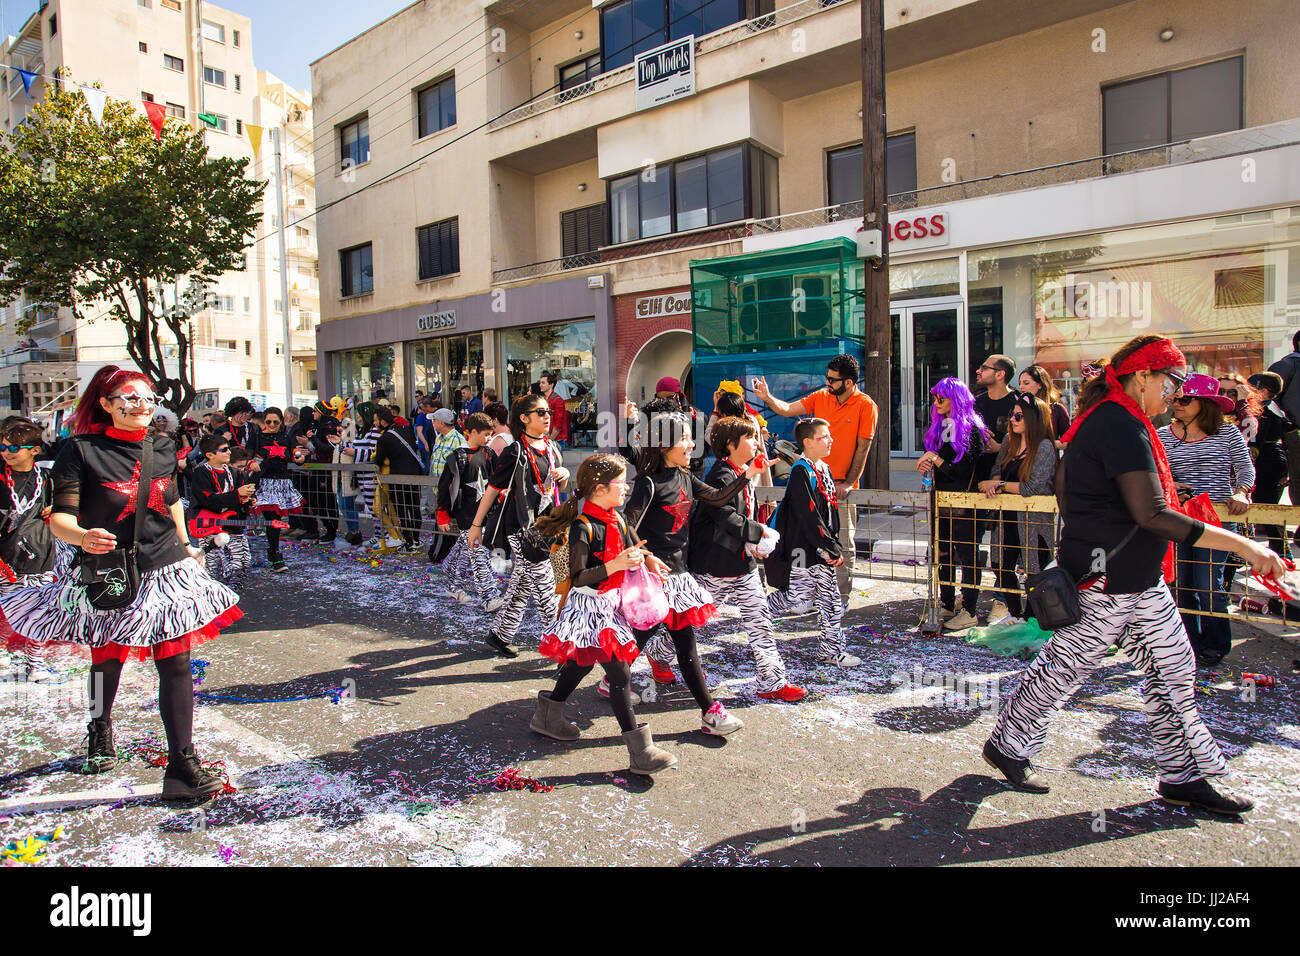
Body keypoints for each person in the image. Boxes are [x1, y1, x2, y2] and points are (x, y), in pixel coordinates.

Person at [983, 336, 1281, 816]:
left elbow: (1078, 497)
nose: (1174, 393)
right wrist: (1242, 544)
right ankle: (1010, 744)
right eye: (1171, 381)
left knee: (1171, 671)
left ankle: (1185, 775)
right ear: (1142, 377)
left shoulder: (1115, 421)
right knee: (1066, 669)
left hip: (1129, 576)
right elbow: (1152, 513)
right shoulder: (1117, 424)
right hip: (1108, 578)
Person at [0, 366, 240, 799]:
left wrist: (186, 543)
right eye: (129, 398)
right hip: (107, 571)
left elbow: (169, 499)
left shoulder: (163, 447)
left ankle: (182, 765)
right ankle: (99, 729)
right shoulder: (81, 450)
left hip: (165, 568)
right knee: (106, 661)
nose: (141, 405)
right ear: (108, 405)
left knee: (176, 662)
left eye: (147, 397)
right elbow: (60, 519)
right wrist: (82, 537)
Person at [533, 455, 701, 775]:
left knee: (580, 664)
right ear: (599, 489)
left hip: (610, 605)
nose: (626, 488)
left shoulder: (617, 518)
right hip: (587, 608)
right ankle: (641, 752)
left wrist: (648, 560)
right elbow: (580, 575)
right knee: (620, 674)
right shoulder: (583, 527)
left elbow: (634, 542)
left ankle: (547, 713)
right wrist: (616, 565)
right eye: (621, 483)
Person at [623, 411, 774, 710]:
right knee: (642, 632)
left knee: (681, 643)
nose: (692, 445)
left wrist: (748, 474)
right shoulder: (648, 483)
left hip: (678, 574)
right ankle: (612, 681)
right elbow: (626, 526)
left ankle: (709, 710)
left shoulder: (686, 476)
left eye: (691, 437)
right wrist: (647, 557)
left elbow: (717, 498)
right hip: (653, 575)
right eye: (684, 438)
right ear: (664, 445)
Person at [690, 415, 801, 699]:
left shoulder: (742, 470)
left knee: (760, 621)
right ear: (730, 444)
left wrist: (753, 539)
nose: (757, 442)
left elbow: (741, 514)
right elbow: (725, 515)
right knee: (690, 620)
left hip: (741, 565)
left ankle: (772, 682)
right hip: (715, 566)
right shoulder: (722, 474)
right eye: (751, 437)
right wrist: (759, 532)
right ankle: (660, 654)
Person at [753, 354, 878, 602]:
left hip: (840, 486)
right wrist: (767, 397)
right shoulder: (821, 397)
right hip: (812, 481)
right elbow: (788, 409)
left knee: (842, 541)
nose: (828, 383)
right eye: (827, 378)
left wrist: (848, 483)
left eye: (833, 379)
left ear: (849, 382)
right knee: (809, 539)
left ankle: (840, 597)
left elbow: (863, 448)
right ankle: (811, 594)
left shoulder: (866, 405)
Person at [1157, 374, 1255, 668]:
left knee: (1207, 584)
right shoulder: (1162, 435)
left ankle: (1215, 644)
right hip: (1178, 519)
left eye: (1185, 399)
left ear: (1205, 403)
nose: (1177, 404)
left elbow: (1245, 469)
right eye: (1175, 398)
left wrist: (1241, 492)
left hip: (1217, 520)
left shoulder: (1227, 433)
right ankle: (1187, 644)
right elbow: (1157, 475)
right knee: (1181, 586)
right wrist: (1173, 487)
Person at [466, 395, 569, 658]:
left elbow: (555, 488)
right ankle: (560, 648)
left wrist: (565, 475)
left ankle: (499, 635)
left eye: (548, 411)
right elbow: (492, 489)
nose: (547, 416)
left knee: (522, 584)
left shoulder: (552, 447)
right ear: (523, 418)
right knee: (547, 589)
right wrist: (476, 525)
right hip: (521, 529)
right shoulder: (515, 451)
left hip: (546, 527)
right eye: (540, 412)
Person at [766, 417, 860, 669]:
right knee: (797, 599)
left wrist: (831, 544)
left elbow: (828, 510)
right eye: (824, 437)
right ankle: (758, 612)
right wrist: (828, 546)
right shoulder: (801, 470)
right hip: (804, 549)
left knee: (829, 601)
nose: (830, 440)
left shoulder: (824, 469)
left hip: (820, 549)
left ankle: (831, 650)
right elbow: (807, 514)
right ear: (808, 442)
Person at [977, 393, 1056, 624]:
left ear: (1033, 418)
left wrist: (999, 485)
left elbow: (1033, 487)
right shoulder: (1010, 444)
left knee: (1034, 570)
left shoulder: (1044, 447)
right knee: (1000, 565)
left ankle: (1031, 618)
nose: (1013, 419)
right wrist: (996, 482)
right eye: (1011, 414)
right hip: (1007, 517)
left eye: (1019, 415)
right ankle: (1015, 613)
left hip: (1034, 521)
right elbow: (995, 469)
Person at [916, 377, 987, 631]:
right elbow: (943, 468)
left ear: (955, 399)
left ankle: (969, 610)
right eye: (934, 398)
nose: (936, 403)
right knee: (943, 554)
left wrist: (934, 459)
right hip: (942, 503)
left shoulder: (969, 429)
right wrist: (929, 464)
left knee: (968, 558)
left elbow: (961, 473)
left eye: (941, 398)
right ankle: (947, 603)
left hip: (965, 505)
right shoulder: (945, 426)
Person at [437, 412, 503, 611]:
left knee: (466, 548)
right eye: (486, 434)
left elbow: (495, 479)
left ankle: (451, 575)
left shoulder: (489, 454)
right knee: (477, 551)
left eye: (491, 434)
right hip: (466, 513)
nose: (489, 439)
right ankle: (489, 596)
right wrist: (442, 514)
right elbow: (444, 488)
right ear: (472, 432)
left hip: (484, 512)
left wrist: (501, 495)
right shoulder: (457, 457)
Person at [190, 434, 255, 591]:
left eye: (228, 448)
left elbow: (242, 496)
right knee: (210, 562)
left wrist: (249, 500)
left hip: (233, 522)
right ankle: (211, 590)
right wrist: (237, 495)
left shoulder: (237, 473)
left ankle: (234, 589)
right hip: (209, 523)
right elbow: (208, 500)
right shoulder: (201, 473)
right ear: (210, 455)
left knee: (241, 558)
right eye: (223, 450)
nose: (228, 452)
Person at [248, 406, 301, 574]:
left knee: (276, 519)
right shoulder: (257, 437)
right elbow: (246, 456)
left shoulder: (286, 437)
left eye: (275, 422)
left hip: (282, 482)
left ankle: (274, 551)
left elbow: (296, 454)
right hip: (263, 482)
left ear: (281, 422)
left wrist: (300, 456)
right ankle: (275, 553)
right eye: (268, 421)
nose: (271, 425)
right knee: (271, 519)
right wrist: (252, 464)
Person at [1247, 371, 1290, 561]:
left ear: (1263, 391)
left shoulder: (1265, 412)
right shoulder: (1274, 408)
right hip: (1275, 461)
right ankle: (1279, 550)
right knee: (1267, 506)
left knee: (1267, 508)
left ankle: (1281, 551)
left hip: (1268, 463)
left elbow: (1256, 443)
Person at [371, 406, 423, 554]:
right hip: (414, 475)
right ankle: (416, 539)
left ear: (382, 421)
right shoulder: (406, 429)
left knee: (402, 509)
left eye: (375, 420)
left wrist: (374, 458)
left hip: (397, 477)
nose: (374, 423)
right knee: (414, 507)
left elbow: (378, 460)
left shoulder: (384, 439)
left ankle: (408, 542)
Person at [307, 417, 342, 544]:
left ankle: (332, 531)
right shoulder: (316, 427)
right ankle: (329, 530)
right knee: (317, 503)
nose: (313, 414)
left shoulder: (328, 428)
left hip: (327, 472)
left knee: (329, 503)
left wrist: (312, 439)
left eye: (316, 411)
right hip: (317, 471)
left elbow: (328, 448)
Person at [1018, 364, 1070, 445]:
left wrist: (1050, 445)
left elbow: (1068, 441)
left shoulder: (1057, 409)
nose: (1021, 387)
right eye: (1020, 383)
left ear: (1040, 385)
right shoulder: (1018, 408)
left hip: (1048, 456)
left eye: (1026, 383)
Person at [539, 371, 571, 450]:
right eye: (540, 383)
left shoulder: (557, 400)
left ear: (551, 384)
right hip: (547, 438)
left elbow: (558, 424)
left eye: (543, 383)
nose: (540, 385)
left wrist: (549, 440)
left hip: (555, 439)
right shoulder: (543, 399)